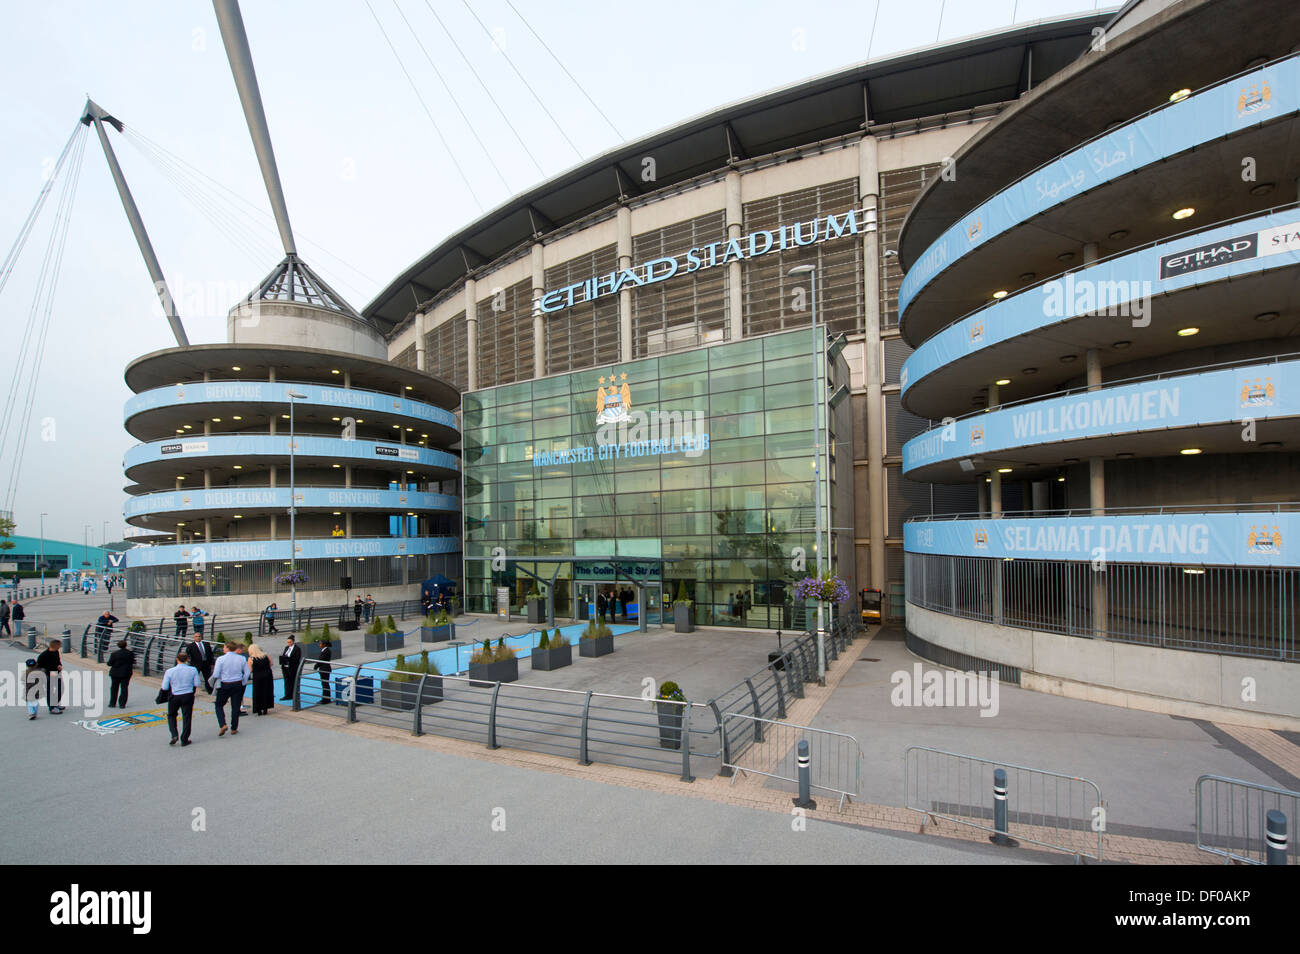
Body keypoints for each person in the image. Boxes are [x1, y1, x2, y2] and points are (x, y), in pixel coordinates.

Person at [209, 640, 250, 736]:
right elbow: (247, 672)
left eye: (224, 647)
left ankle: (222, 724)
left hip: (225, 684)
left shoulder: (221, 659)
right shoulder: (241, 658)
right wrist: (243, 681)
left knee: (219, 705)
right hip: (238, 683)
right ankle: (234, 728)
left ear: (227, 648)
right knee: (235, 706)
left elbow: (215, 674)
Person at [162, 651, 202, 746]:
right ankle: (184, 738)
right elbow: (197, 684)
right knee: (187, 716)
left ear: (177, 659)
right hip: (188, 695)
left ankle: (174, 734)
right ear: (187, 659)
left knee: (171, 715)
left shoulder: (170, 671)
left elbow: (164, 687)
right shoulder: (193, 670)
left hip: (175, 695)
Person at [36, 639, 64, 713]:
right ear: (55, 646)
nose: (60, 647)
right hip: (47, 674)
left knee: (60, 689)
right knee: (50, 691)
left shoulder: (56, 652)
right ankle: (51, 708)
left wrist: (59, 665)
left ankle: (55, 704)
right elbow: (38, 667)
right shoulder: (43, 655)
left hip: (55, 673)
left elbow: (58, 661)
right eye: (59, 646)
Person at [106, 639, 135, 708]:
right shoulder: (130, 653)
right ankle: (122, 704)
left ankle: (112, 703)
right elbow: (132, 662)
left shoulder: (114, 654)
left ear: (118, 646)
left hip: (115, 673)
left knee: (114, 688)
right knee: (124, 688)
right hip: (126, 673)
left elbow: (109, 663)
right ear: (126, 645)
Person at [247, 643, 274, 715]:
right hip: (267, 675)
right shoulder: (265, 655)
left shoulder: (251, 659)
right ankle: (266, 708)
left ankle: (258, 709)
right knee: (267, 691)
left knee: (258, 692)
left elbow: (250, 670)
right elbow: (271, 663)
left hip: (258, 676)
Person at [279, 635, 302, 701]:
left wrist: (289, 660)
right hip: (285, 667)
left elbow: (297, 659)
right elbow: (284, 655)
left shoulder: (297, 649)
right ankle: (287, 695)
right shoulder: (286, 648)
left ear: (293, 642)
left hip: (292, 668)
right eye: (288, 642)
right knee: (286, 682)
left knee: (293, 681)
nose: (289, 643)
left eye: (290, 642)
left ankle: (294, 694)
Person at [314, 637, 332, 704]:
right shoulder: (325, 650)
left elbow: (321, 660)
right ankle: (326, 698)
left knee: (325, 684)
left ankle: (326, 699)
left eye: (320, 643)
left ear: (324, 644)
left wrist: (316, 666)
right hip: (324, 668)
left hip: (325, 669)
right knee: (324, 684)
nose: (319, 644)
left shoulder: (326, 651)